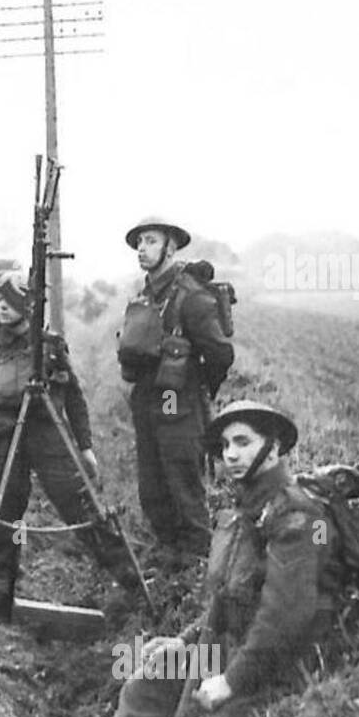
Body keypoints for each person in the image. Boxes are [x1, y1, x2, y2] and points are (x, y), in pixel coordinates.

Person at [22, 400, 344, 717]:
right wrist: (184, 639)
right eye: (225, 445)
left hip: (274, 673)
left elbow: (283, 621)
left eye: (243, 442)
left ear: (273, 451)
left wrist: (230, 682)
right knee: (152, 673)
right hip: (230, 652)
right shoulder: (241, 514)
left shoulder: (297, 518)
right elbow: (223, 604)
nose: (230, 455)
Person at [0, 272, 140, 620]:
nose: (2, 308)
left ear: (28, 306)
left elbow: (73, 396)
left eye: (10, 302)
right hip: (2, 437)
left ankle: (128, 579)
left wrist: (85, 447)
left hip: (47, 435)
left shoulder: (50, 345)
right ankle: (1, 591)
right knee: (5, 519)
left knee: (81, 508)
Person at [119, 217, 235, 568]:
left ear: (170, 247)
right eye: (140, 241)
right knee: (152, 485)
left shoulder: (191, 296)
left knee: (183, 480)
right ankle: (167, 552)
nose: (142, 248)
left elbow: (220, 353)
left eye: (151, 241)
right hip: (147, 400)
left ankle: (196, 562)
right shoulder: (144, 294)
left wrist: (197, 385)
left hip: (178, 403)